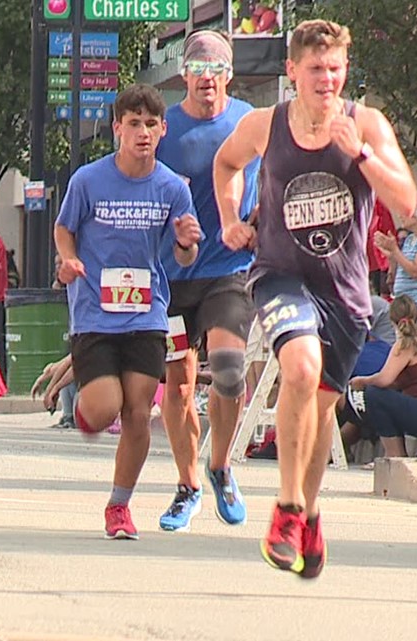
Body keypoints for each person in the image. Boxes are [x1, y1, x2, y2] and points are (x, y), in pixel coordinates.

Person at [213, 19, 417, 577]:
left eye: (335, 69)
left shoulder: (365, 123)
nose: (326, 80)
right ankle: (285, 509)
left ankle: (310, 511)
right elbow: (226, 164)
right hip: (280, 274)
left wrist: (363, 157)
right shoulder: (267, 124)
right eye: (315, 70)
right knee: (299, 371)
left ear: (345, 70)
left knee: (322, 406)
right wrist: (231, 218)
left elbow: (408, 203)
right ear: (292, 73)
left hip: (346, 294)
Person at [54, 84, 202, 541]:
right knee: (103, 410)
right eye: (133, 123)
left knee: (138, 413)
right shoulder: (88, 180)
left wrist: (185, 241)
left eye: (150, 124)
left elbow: (184, 259)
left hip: (146, 313)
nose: (142, 132)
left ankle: (119, 507)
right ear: (117, 128)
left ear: (163, 130)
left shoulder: (173, 188)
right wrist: (69, 260)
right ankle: (86, 410)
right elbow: (64, 228)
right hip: (95, 312)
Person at [154, 29, 259, 532]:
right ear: (184, 76)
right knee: (176, 388)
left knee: (229, 370)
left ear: (230, 75)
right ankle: (187, 485)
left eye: (216, 71)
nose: (207, 81)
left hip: (227, 271)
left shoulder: (249, 121)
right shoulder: (163, 129)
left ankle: (219, 466)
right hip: (171, 278)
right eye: (198, 71)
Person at [341, 295, 417, 457]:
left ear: (392, 321)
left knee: (374, 395)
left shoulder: (406, 343)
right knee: (386, 398)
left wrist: (362, 381)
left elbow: (384, 379)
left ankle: (394, 453)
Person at [375, 208, 417, 322]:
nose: (400, 216)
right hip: (404, 309)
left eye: (405, 213)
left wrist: (395, 250)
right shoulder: (409, 239)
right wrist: (392, 257)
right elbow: (401, 270)